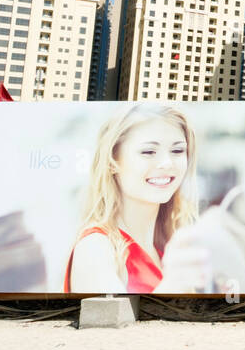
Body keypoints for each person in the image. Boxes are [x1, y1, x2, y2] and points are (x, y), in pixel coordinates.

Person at [64, 103, 212, 294]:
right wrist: (175, 284)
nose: (167, 163)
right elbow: (107, 322)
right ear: (113, 161)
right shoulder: (96, 247)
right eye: (149, 152)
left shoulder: (165, 250)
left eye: (177, 151)